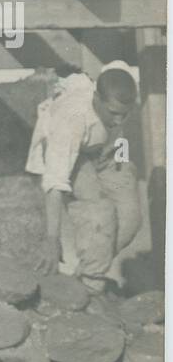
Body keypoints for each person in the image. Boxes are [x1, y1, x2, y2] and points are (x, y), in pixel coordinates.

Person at [26, 62, 141, 292]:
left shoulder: (118, 97)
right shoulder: (72, 118)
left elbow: (119, 132)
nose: (119, 120)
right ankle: (90, 285)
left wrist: (120, 163)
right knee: (99, 212)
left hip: (103, 151)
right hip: (72, 154)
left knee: (130, 219)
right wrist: (51, 238)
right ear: (96, 98)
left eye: (124, 114)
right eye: (114, 113)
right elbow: (55, 182)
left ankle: (87, 271)